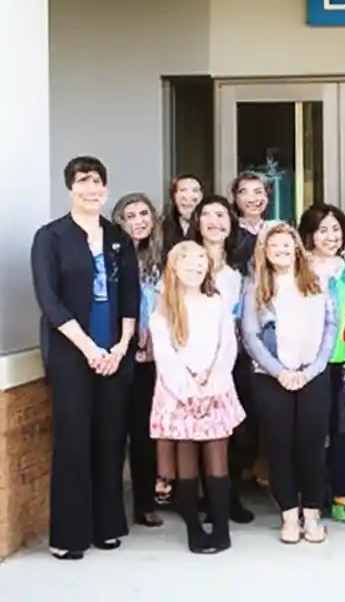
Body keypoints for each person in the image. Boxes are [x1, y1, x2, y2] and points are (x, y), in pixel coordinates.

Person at [31, 156, 140, 560]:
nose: (91, 189)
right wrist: (89, 348)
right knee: (74, 442)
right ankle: (69, 534)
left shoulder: (118, 237)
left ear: (106, 188)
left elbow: (130, 295)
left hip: (114, 355)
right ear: (69, 188)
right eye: (83, 181)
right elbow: (50, 301)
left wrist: (120, 345)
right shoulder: (51, 237)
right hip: (72, 355)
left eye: (97, 182)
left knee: (110, 440)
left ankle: (107, 525)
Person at [240, 224, 337, 544]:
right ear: (264, 251)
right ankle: (288, 516)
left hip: (313, 375)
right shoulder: (255, 285)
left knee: (311, 446)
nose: (281, 250)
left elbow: (330, 325)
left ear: (297, 247)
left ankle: (311, 514)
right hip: (270, 377)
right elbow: (250, 335)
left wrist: (313, 369)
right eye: (274, 245)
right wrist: (279, 371)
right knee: (279, 447)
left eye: (287, 244)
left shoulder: (317, 281)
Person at [149, 241, 244, 555]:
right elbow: (164, 354)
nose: (196, 270)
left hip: (215, 389)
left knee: (217, 462)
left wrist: (212, 379)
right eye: (189, 265)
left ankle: (221, 527)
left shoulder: (216, 301)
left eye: (201, 266)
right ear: (175, 267)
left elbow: (227, 345)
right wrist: (187, 386)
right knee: (185, 462)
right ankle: (193, 527)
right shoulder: (163, 307)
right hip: (179, 394)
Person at [298, 202, 345, 524]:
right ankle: (309, 497)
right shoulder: (298, 269)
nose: (330, 236)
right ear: (310, 234)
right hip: (308, 363)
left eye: (336, 229)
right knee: (311, 433)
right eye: (322, 229)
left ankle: (341, 497)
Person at [187, 194, 255, 524]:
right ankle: (207, 497)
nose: (215, 222)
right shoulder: (184, 264)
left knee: (237, 431)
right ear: (197, 223)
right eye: (208, 215)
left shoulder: (237, 272)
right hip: (194, 362)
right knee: (198, 430)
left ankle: (229, 492)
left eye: (222, 215)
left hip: (234, 359)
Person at [112, 192, 167, 528]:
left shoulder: (160, 260)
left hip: (153, 357)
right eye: (129, 215)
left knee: (144, 434)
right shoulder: (111, 257)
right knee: (114, 432)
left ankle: (145, 503)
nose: (138, 221)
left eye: (143, 213)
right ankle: (111, 504)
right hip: (119, 353)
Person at [160, 174, 203, 251]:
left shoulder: (208, 224)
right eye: (183, 190)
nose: (189, 196)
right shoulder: (162, 225)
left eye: (195, 190)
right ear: (173, 196)